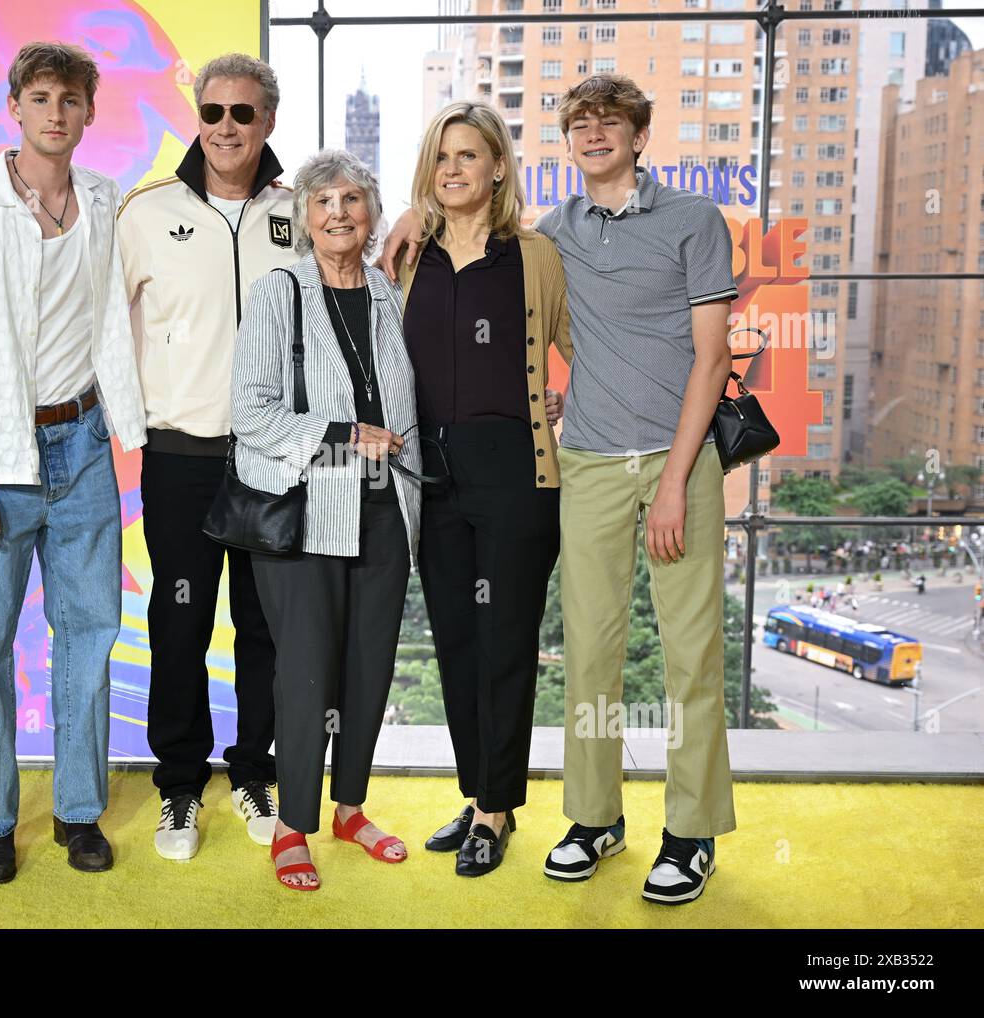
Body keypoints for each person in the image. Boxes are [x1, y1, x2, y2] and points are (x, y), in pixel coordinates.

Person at [385, 72, 739, 904]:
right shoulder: (562, 231)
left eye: (610, 124)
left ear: (639, 135)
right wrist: (412, 213)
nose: (594, 136)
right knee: (590, 659)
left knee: (690, 661)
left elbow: (714, 358)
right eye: (581, 125)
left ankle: (690, 832)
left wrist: (675, 481)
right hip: (583, 463)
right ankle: (594, 816)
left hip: (673, 464)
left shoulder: (690, 222)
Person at [0, 42, 146, 883]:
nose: (57, 112)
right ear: (15, 105)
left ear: (90, 113)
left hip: (83, 444)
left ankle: (79, 813)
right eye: (42, 96)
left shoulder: (105, 199)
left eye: (73, 99)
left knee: (89, 637)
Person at [117, 53, 298, 860]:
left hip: (272, 459)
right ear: (198, 116)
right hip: (181, 457)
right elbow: (105, 333)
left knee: (265, 624)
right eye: (213, 111)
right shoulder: (146, 214)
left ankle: (256, 771)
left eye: (244, 113)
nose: (227, 127)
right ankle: (180, 787)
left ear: (268, 121)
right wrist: (135, 433)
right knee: (181, 620)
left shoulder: (303, 212)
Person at [392, 101, 574, 878]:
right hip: (430, 475)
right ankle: (477, 795)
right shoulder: (405, 257)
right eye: (442, 157)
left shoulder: (535, 256)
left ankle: (498, 811)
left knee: (504, 645)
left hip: (515, 474)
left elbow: (584, 349)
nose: (454, 169)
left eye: (470, 155)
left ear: (498, 167)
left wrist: (561, 405)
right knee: (457, 643)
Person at [233, 149, 423, 891]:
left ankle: (350, 807)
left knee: (368, 665)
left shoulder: (386, 291)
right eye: (324, 202)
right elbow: (249, 409)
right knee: (308, 669)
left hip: (387, 506)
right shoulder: (281, 290)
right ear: (303, 219)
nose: (339, 212)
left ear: (371, 215)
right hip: (310, 506)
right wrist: (345, 433)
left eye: (352, 200)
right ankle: (293, 824)